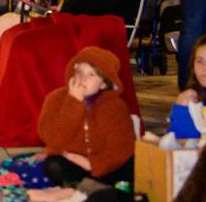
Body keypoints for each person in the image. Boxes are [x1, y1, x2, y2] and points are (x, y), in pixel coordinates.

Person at [38, 46, 136, 187]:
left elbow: (121, 147)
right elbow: (53, 138)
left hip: (105, 164)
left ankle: (85, 189)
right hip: (72, 161)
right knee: (53, 165)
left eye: (91, 74)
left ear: (104, 83)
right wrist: (73, 102)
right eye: (79, 72)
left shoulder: (115, 106)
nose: (83, 78)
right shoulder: (55, 99)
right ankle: (85, 188)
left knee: (132, 164)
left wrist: (93, 164)